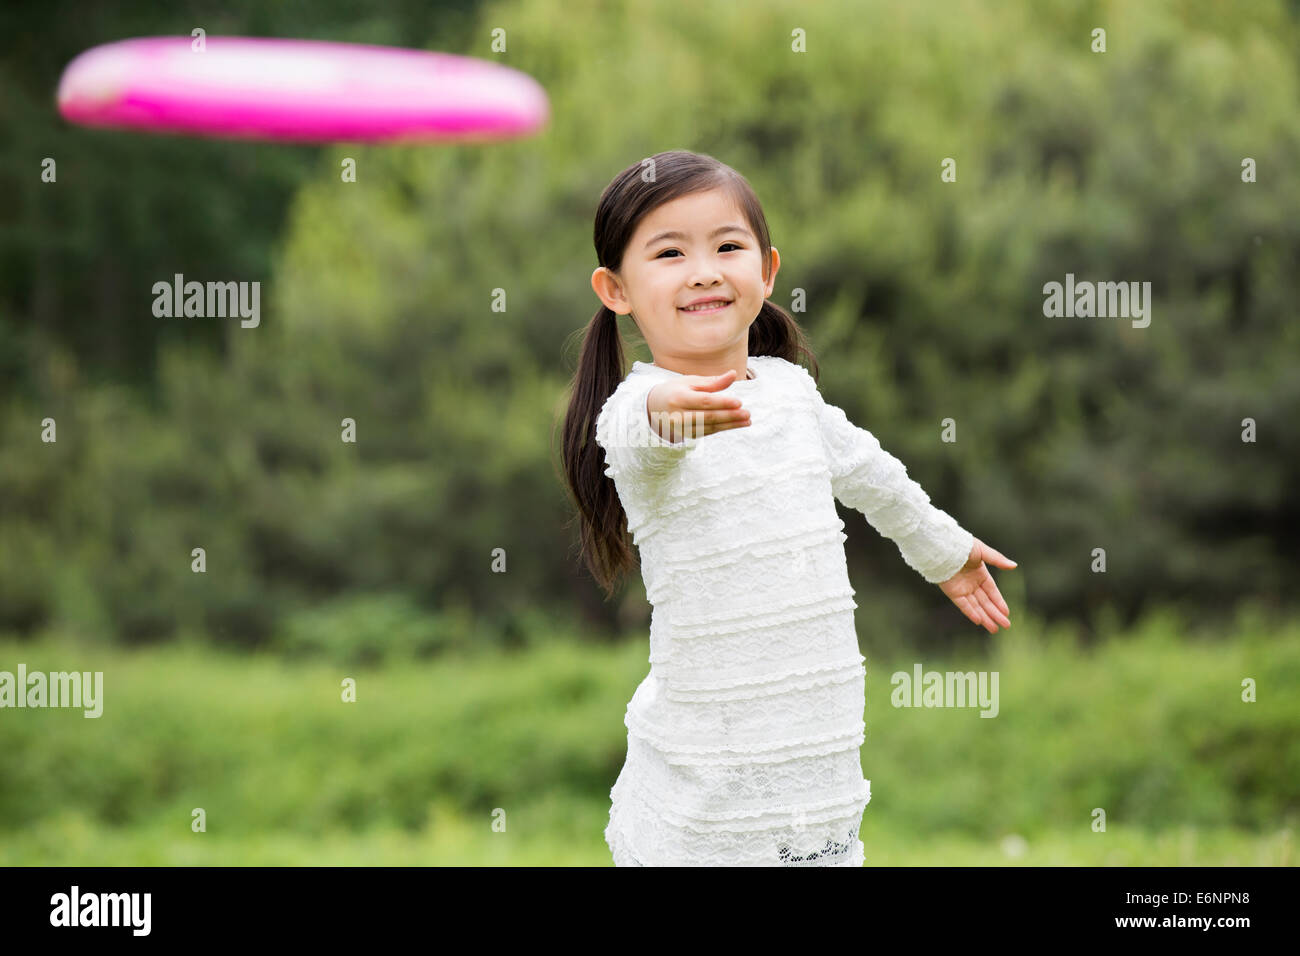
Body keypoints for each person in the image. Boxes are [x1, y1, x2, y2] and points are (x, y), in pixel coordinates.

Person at [560, 150, 1016, 866]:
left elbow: (873, 476)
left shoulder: (791, 393)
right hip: (706, 770)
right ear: (615, 289)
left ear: (767, 272)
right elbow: (636, 433)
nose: (705, 269)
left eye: (728, 246)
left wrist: (944, 552)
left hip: (816, 751)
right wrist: (668, 408)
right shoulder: (633, 410)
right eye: (670, 252)